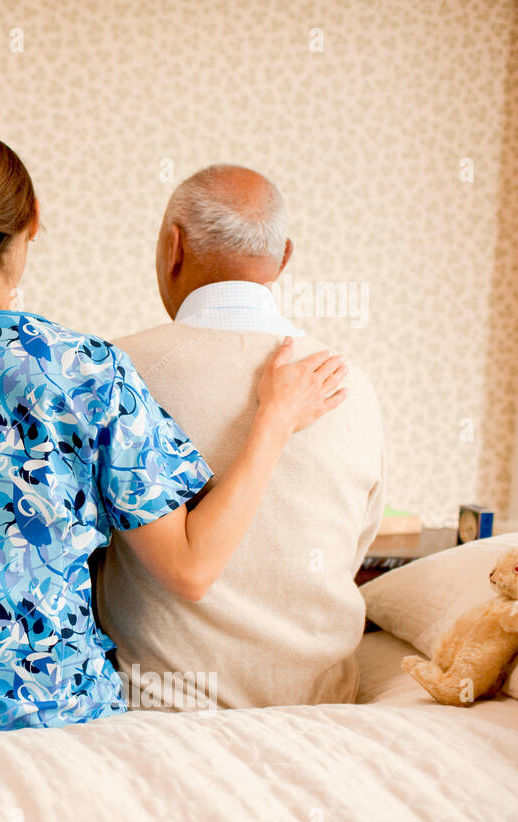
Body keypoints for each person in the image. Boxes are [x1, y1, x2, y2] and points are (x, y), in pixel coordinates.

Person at [0, 132, 346, 736]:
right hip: (49, 709)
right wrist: (275, 420)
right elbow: (190, 568)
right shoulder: (86, 370)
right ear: (34, 223)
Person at [98, 164, 384, 710]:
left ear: (172, 246)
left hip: (161, 710)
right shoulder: (349, 384)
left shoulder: (113, 371)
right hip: (321, 708)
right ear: (283, 257)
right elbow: (355, 548)